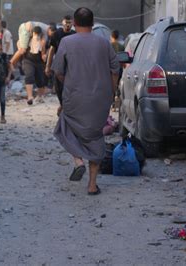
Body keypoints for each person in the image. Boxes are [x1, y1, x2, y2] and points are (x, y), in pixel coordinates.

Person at [52, 7, 120, 195]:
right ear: (93, 23)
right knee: (95, 136)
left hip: (74, 97)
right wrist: (111, 92)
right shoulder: (104, 43)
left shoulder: (66, 42)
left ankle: (78, 161)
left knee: (65, 126)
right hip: (100, 99)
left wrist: (69, 83)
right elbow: (115, 69)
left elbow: (57, 70)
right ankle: (91, 185)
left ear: (74, 23)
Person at [9, 21, 49, 104]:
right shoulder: (26, 40)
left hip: (39, 62)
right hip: (28, 60)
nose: (36, 36)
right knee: (29, 76)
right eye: (35, 34)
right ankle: (30, 97)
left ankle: (40, 96)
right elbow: (20, 47)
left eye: (37, 35)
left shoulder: (43, 41)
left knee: (40, 79)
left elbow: (43, 52)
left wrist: (44, 56)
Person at [45, 15, 75, 113]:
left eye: (70, 22)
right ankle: (62, 104)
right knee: (58, 87)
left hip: (71, 65)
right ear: (62, 23)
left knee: (70, 87)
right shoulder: (56, 34)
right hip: (59, 63)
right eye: (66, 22)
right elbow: (51, 50)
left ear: (72, 23)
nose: (68, 25)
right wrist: (48, 67)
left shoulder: (75, 35)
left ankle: (66, 106)